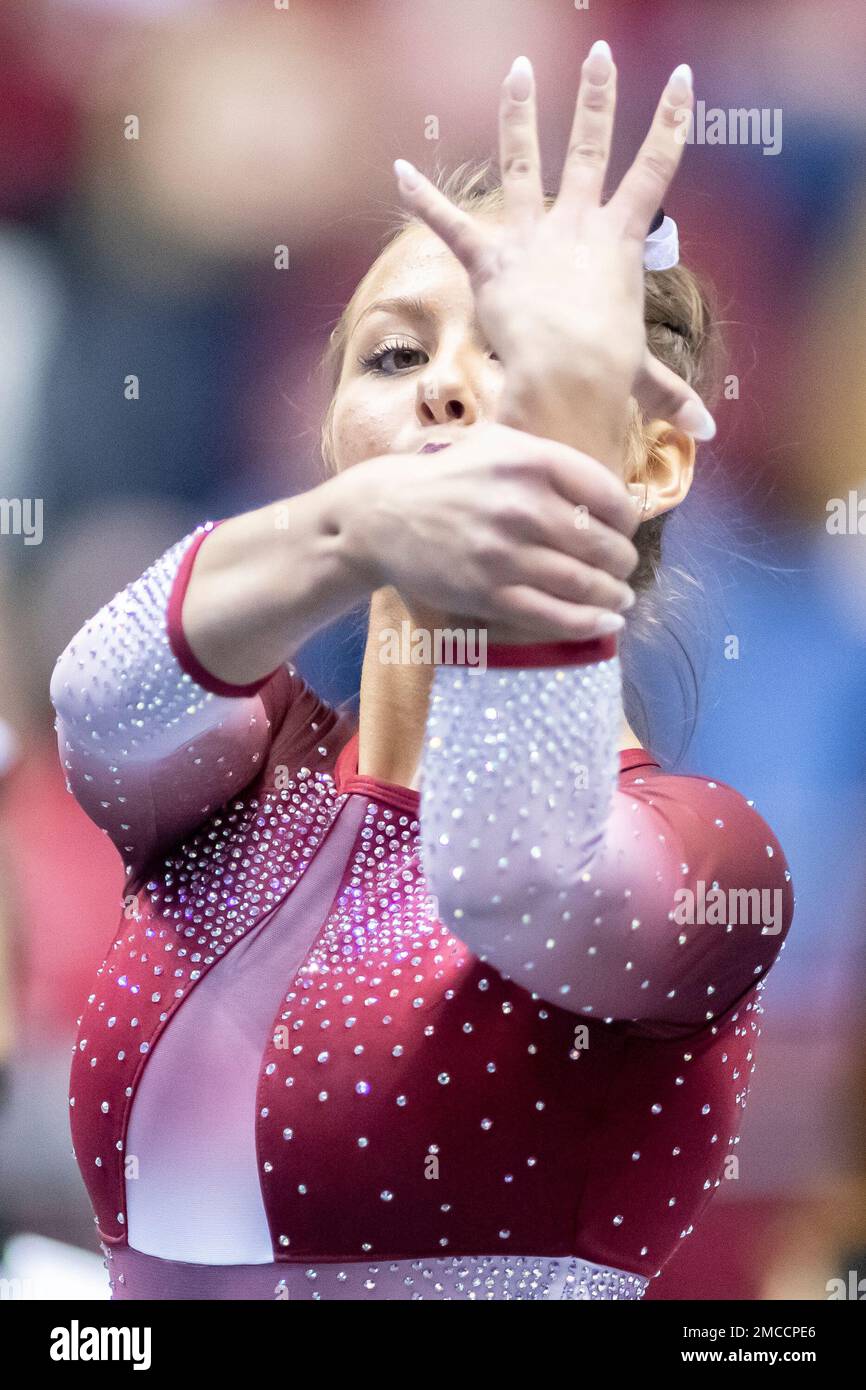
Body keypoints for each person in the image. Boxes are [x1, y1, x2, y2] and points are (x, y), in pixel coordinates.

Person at [51, 44, 793, 1300]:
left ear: (655, 462)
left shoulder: (704, 862)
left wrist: (554, 438)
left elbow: (518, 878)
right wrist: (354, 530)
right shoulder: (240, 789)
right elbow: (100, 706)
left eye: (512, 356)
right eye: (396, 358)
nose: (449, 385)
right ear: (338, 437)